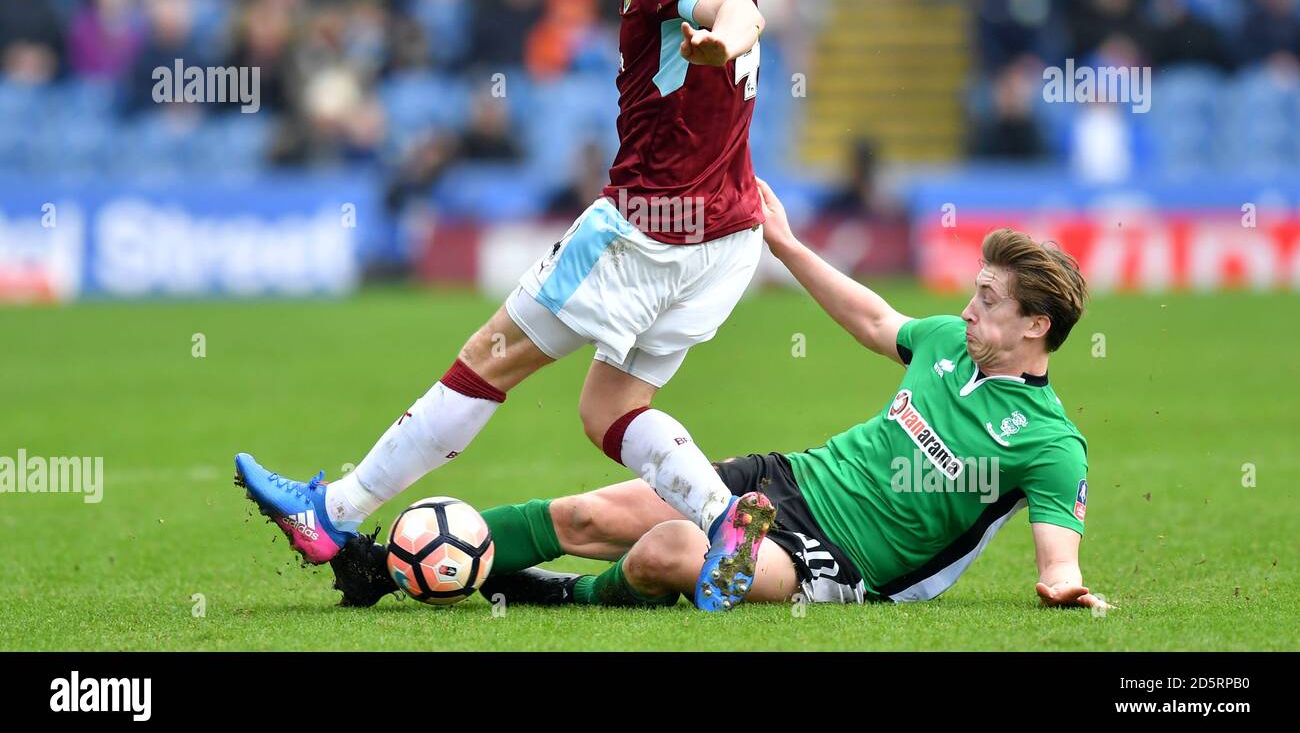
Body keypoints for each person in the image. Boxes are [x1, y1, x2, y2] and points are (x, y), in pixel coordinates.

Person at [236, 0, 773, 611]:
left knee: (488, 358)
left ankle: (332, 514)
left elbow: (733, 7)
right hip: (727, 235)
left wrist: (729, 35)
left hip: (644, 230)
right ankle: (724, 522)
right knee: (610, 412)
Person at [331, 179, 1112, 614]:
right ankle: (380, 567)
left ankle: (562, 601)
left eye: (987, 300)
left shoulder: (1048, 443)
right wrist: (787, 244)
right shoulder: (944, 341)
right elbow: (874, 319)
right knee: (587, 513)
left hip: (831, 564)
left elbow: (1057, 558)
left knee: (669, 552)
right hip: (786, 482)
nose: (968, 307)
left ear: (1036, 325)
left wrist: (1065, 589)